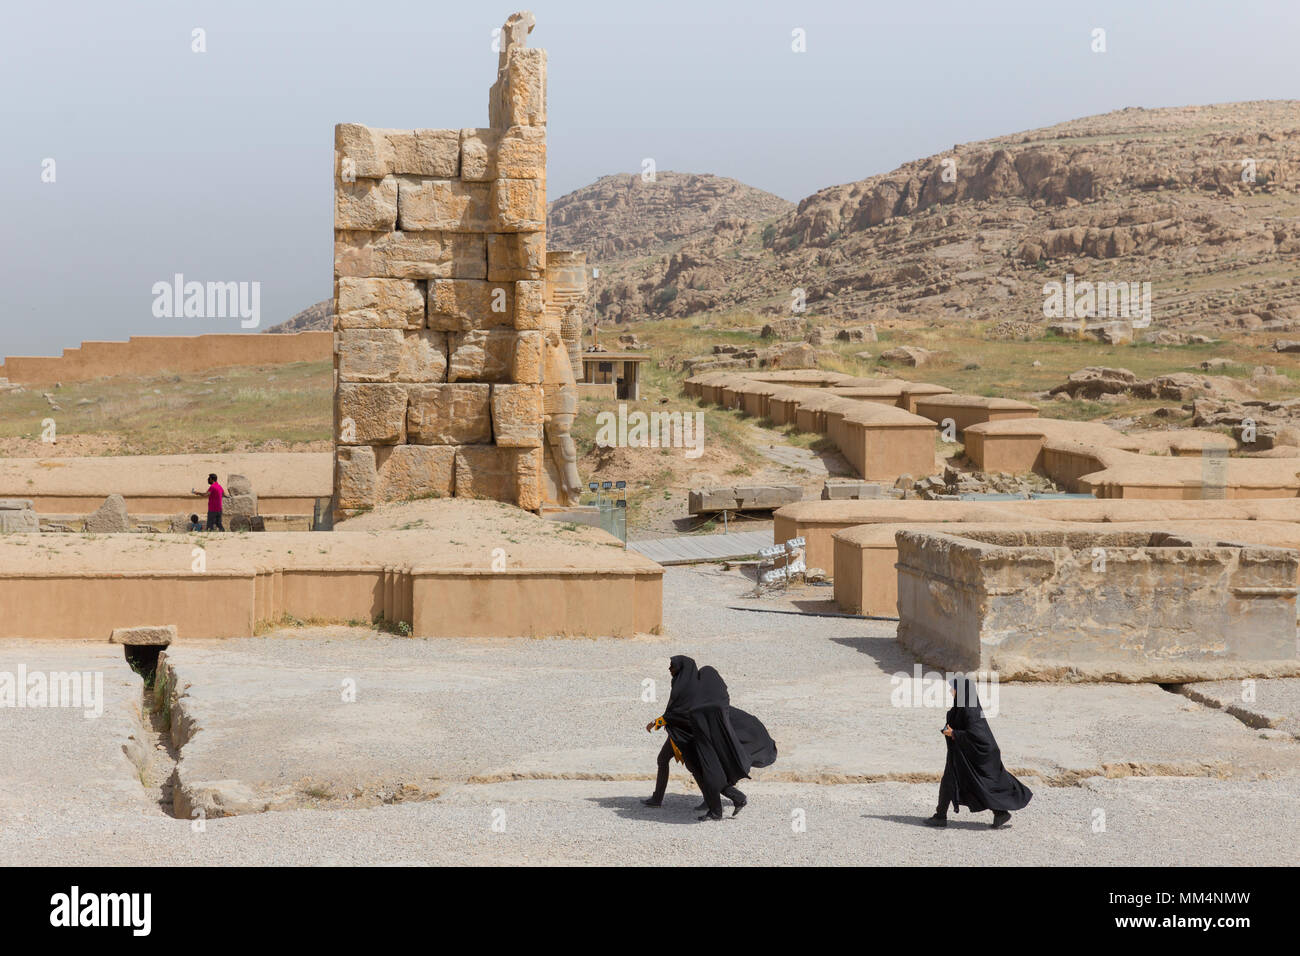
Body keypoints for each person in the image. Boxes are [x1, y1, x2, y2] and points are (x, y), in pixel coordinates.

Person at [643, 655, 777, 821]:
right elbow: (676, 712)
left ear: (682, 669)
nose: (669, 670)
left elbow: (681, 713)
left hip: (691, 735)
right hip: (679, 733)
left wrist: (658, 722)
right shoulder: (682, 683)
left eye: (673, 667)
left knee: (702, 769)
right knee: (671, 762)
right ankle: (661, 799)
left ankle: (730, 799)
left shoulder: (689, 687)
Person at [926, 676, 1032, 829]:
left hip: (979, 753)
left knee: (979, 783)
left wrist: (954, 734)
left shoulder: (971, 709)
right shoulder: (961, 706)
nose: (951, 691)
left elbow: (977, 734)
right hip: (964, 753)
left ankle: (941, 816)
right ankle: (998, 813)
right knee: (960, 781)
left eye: (953, 688)